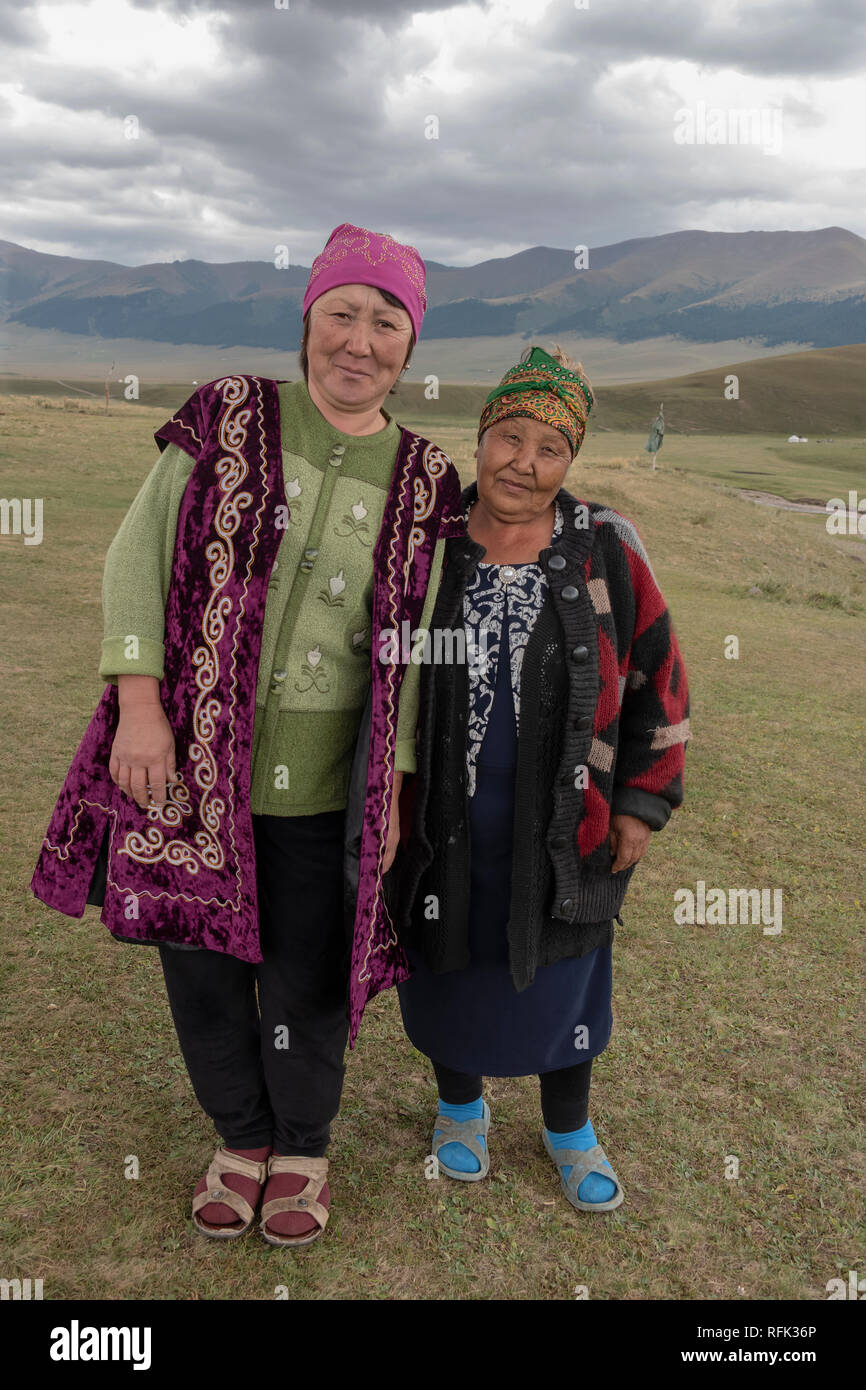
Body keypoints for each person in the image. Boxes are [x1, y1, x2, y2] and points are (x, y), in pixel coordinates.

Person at [30, 223, 465, 1246]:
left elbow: (412, 644)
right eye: (341, 315)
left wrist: (397, 786)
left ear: (410, 346)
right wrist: (140, 703)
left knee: (308, 971)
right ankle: (239, 1137)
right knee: (201, 962)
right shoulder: (230, 415)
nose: (359, 342)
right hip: (190, 766)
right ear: (307, 320)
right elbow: (136, 557)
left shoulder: (424, 479)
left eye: (384, 322)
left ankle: (302, 1148)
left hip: (327, 784)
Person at [393, 345, 690, 1213]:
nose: (523, 462)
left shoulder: (603, 545)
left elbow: (659, 672)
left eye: (548, 448)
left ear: (572, 461)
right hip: (441, 816)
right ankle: (459, 1111)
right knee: (448, 956)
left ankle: (570, 1131)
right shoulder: (429, 540)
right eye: (508, 437)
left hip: (570, 822)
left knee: (566, 976)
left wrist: (642, 799)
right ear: (481, 435)